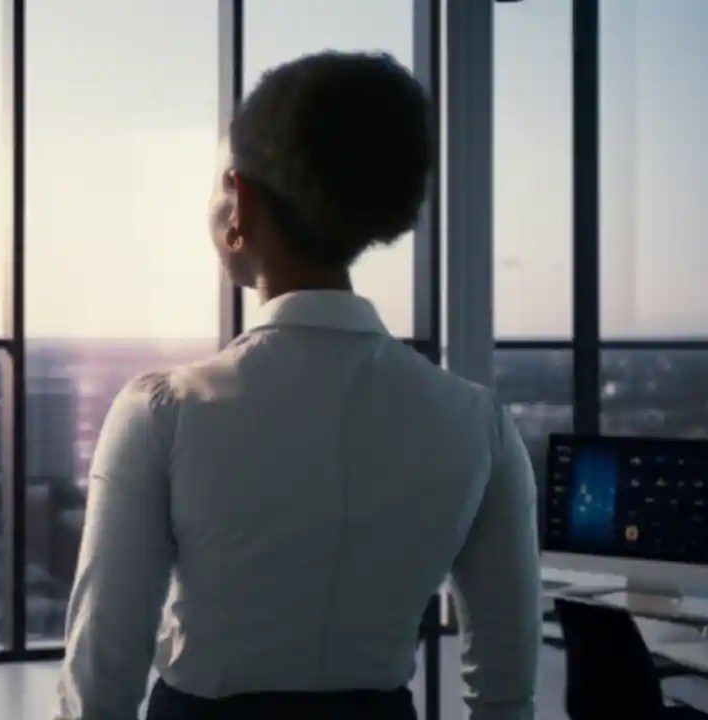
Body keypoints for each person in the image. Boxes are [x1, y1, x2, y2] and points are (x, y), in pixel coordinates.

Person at [56, 51, 541, 720]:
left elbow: (101, 679)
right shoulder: (478, 422)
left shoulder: (164, 411)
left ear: (240, 200)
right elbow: (507, 687)